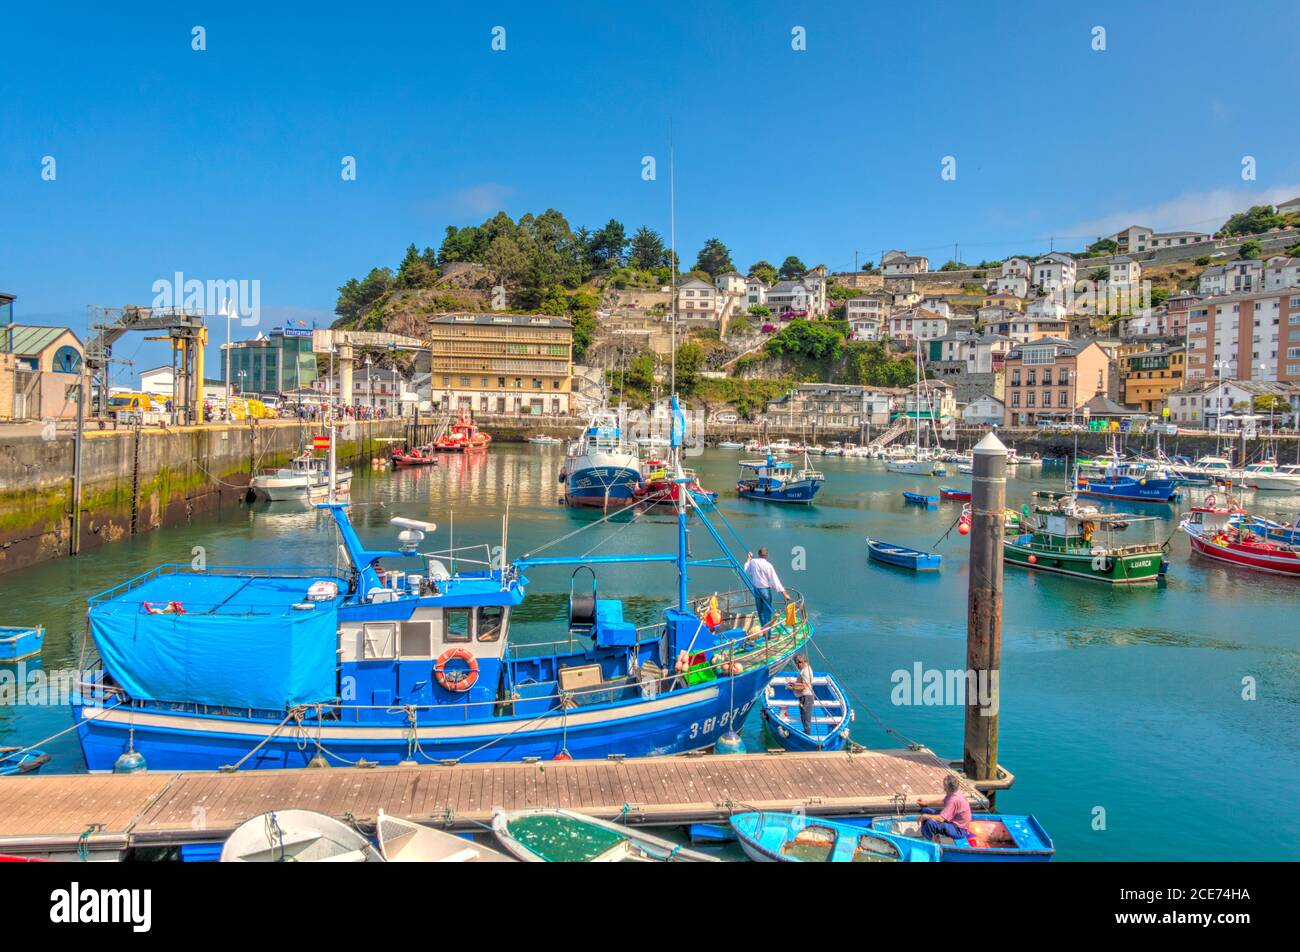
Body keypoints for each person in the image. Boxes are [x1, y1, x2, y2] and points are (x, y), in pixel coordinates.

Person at [917, 775, 974, 842]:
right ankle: (932, 835)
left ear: (947, 787)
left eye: (944, 785)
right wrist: (926, 803)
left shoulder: (954, 800)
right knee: (925, 810)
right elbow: (943, 801)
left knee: (930, 823)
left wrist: (926, 816)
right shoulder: (953, 793)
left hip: (959, 830)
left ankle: (928, 843)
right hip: (952, 820)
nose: (944, 788)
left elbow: (941, 819)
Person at [743, 547, 789, 627]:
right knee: (767, 612)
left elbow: (746, 570)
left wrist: (748, 559)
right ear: (766, 555)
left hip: (756, 591)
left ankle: (764, 631)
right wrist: (784, 594)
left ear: (758, 554)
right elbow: (775, 581)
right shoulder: (768, 565)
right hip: (765, 591)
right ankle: (768, 633)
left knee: (760, 612)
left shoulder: (753, 562)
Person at [791, 653, 815, 734]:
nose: (796, 665)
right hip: (804, 697)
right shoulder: (804, 669)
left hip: (806, 697)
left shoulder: (806, 672)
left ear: (799, 662)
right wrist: (794, 683)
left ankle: (807, 733)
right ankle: (806, 731)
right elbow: (804, 683)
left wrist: (792, 687)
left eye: (796, 663)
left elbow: (804, 686)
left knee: (806, 717)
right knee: (804, 716)